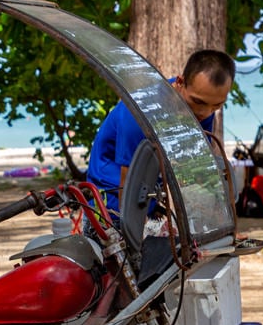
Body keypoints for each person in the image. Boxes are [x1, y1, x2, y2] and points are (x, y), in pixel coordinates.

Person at [86, 49, 235, 212]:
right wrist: (128, 227)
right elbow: (128, 182)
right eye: (198, 102)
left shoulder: (202, 109)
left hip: (150, 193)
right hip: (111, 198)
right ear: (180, 82)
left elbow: (196, 165)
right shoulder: (140, 112)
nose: (205, 113)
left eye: (217, 105)